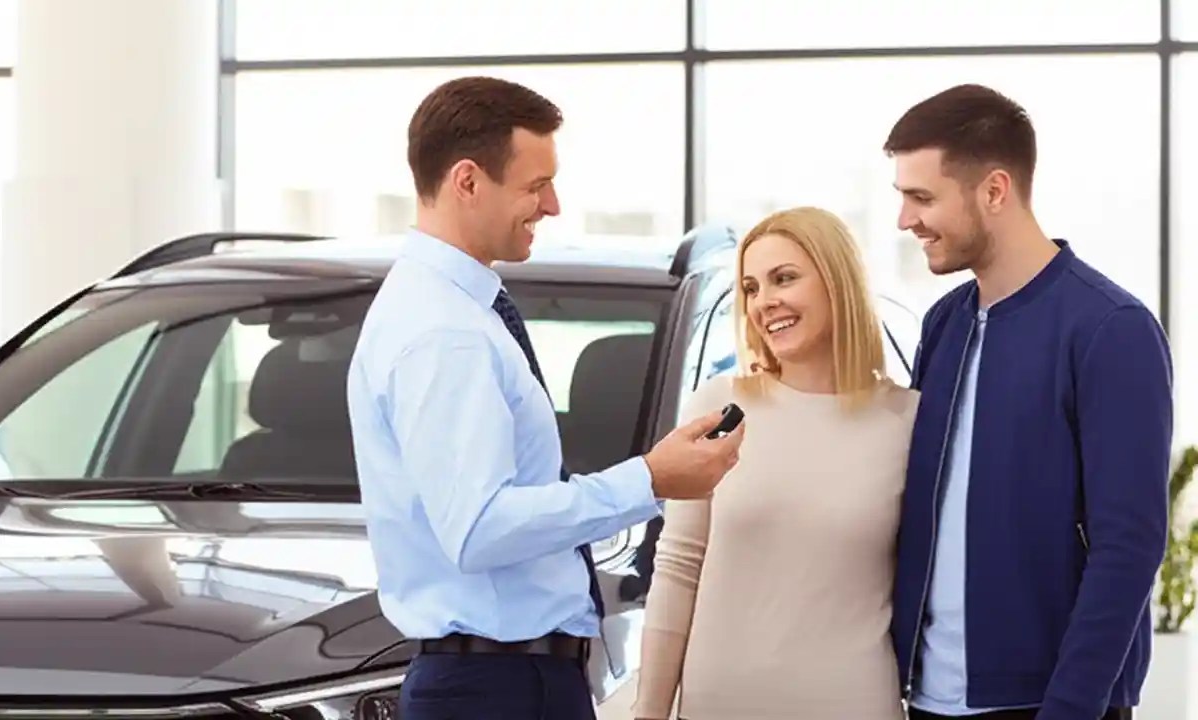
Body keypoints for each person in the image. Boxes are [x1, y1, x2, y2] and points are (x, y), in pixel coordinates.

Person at [345, 75, 746, 720]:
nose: (553, 206)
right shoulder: (446, 332)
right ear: (468, 181)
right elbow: (478, 530)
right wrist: (650, 478)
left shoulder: (454, 312)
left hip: (505, 680)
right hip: (496, 690)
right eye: (536, 185)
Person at [885, 84, 1173, 720]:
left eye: (922, 197)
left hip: (1048, 703)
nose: (905, 220)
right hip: (927, 699)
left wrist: (1071, 709)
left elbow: (1129, 545)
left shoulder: (1110, 328)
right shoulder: (944, 322)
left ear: (994, 190)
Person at [630, 206, 920, 720]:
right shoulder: (722, 408)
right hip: (721, 704)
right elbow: (678, 568)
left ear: (837, 282)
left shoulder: (908, 419)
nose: (765, 302)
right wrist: (649, 712)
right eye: (751, 288)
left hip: (853, 704)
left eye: (783, 278)